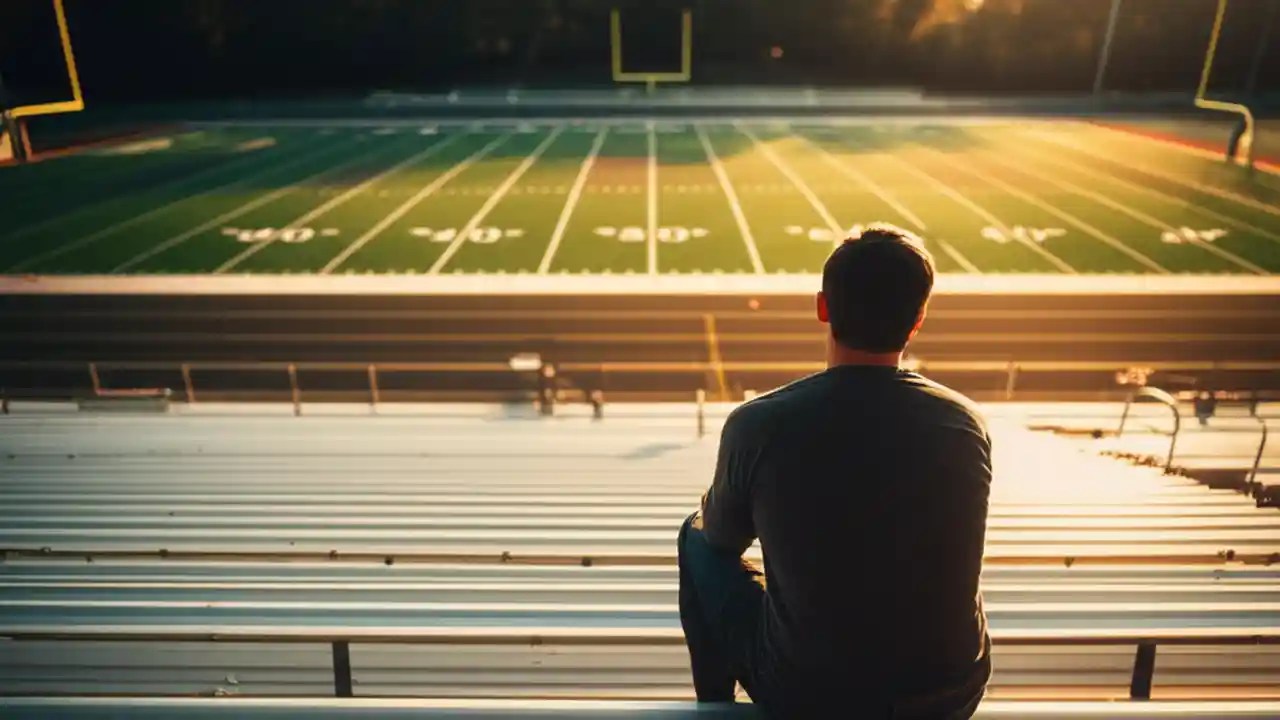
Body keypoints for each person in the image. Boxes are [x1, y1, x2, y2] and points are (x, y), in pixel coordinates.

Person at [678, 225, 992, 718]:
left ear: (823, 307)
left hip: (806, 693)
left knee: (693, 537)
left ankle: (714, 708)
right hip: (949, 691)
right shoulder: (964, 421)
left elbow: (720, 540)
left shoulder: (760, 423)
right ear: (918, 318)